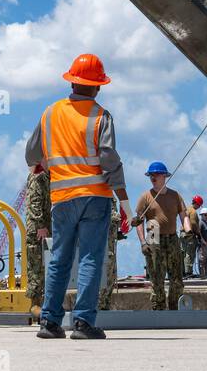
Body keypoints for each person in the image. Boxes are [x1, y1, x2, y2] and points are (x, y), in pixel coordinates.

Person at [26, 53, 129, 340]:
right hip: (95, 196)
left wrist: (48, 164)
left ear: (71, 81)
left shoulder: (50, 113)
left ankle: (49, 322)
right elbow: (108, 158)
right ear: (98, 86)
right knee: (90, 258)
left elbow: (32, 155)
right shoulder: (101, 116)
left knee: (58, 258)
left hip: (61, 198)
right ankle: (83, 323)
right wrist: (124, 200)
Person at [134, 161, 188, 310]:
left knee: (176, 277)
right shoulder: (145, 197)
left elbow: (183, 215)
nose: (153, 177)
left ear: (164, 176)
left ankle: (174, 307)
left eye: (156, 174)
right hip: (153, 235)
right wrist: (143, 242)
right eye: (151, 175)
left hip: (172, 237)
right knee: (156, 277)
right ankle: (158, 307)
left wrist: (188, 230)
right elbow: (139, 221)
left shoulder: (175, 195)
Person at [23, 162, 50, 316]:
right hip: (38, 230)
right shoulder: (38, 177)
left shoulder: (50, 176)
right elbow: (34, 203)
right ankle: (35, 303)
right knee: (37, 265)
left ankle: (46, 303)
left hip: (48, 227)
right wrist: (40, 225)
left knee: (48, 266)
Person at [98, 197, 129, 311]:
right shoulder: (99, 198)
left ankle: (105, 307)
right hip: (102, 249)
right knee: (103, 281)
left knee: (111, 279)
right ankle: (99, 308)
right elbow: (104, 219)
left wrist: (117, 233)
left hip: (111, 248)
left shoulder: (113, 199)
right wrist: (125, 219)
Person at [182, 196, 203, 278]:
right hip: (190, 235)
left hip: (183, 234)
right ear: (197, 204)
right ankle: (188, 272)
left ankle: (183, 272)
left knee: (183, 253)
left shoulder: (186, 209)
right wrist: (198, 234)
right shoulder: (193, 212)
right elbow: (193, 223)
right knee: (189, 254)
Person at [197, 206, 207, 278]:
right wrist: (203, 242)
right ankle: (202, 276)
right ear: (202, 215)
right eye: (205, 215)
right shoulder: (200, 223)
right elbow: (199, 233)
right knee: (202, 261)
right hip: (203, 246)